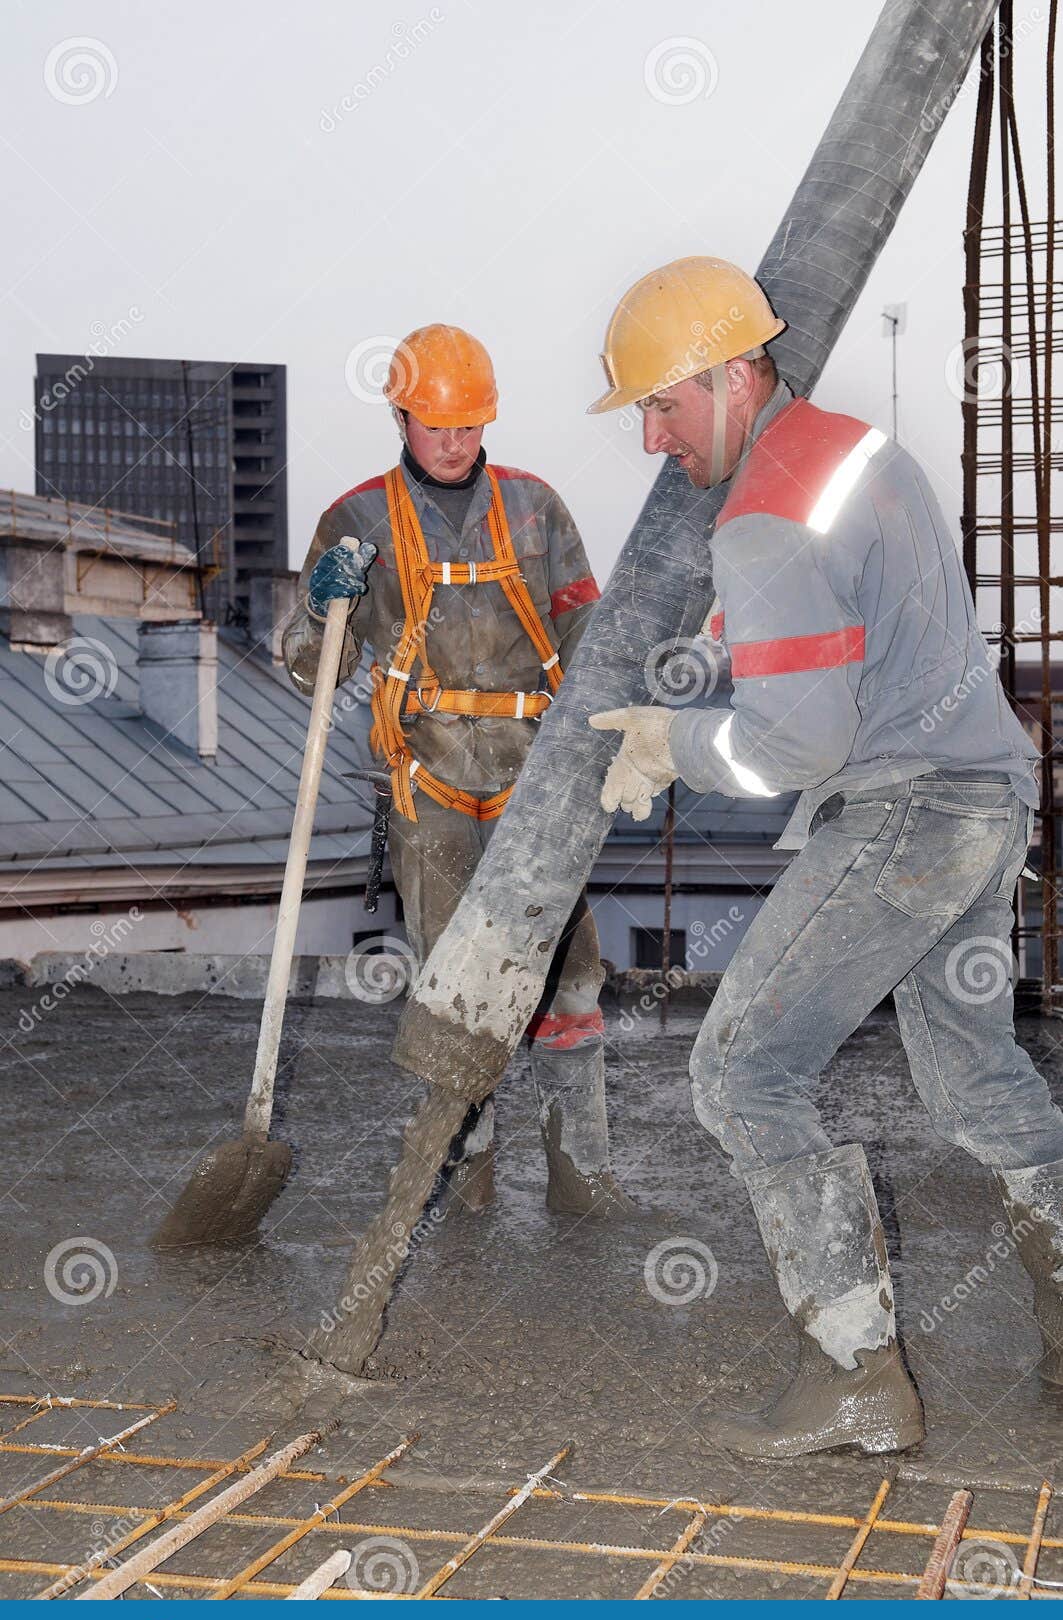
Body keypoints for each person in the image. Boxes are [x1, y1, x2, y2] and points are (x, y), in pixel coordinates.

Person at [589, 255, 1063, 1457]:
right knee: (969, 1074)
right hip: (985, 795)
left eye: (662, 403)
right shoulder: (853, 451)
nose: (651, 436)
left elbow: (796, 744)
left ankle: (854, 1370)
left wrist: (673, 742)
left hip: (903, 817)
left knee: (742, 1073)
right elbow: (846, 618)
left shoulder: (759, 523)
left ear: (736, 374)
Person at [284, 323, 630, 1216]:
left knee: (567, 972)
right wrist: (323, 608)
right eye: (436, 426)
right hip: (427, 781)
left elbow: (585, 631)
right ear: (401, 416)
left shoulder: (536, 508)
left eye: (468, 426)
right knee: (448, 984)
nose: (453, 443)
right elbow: (301, 660)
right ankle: (462, 1176)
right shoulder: (356, 521)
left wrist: (613, 733)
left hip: (536, 774)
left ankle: (579, 1175)